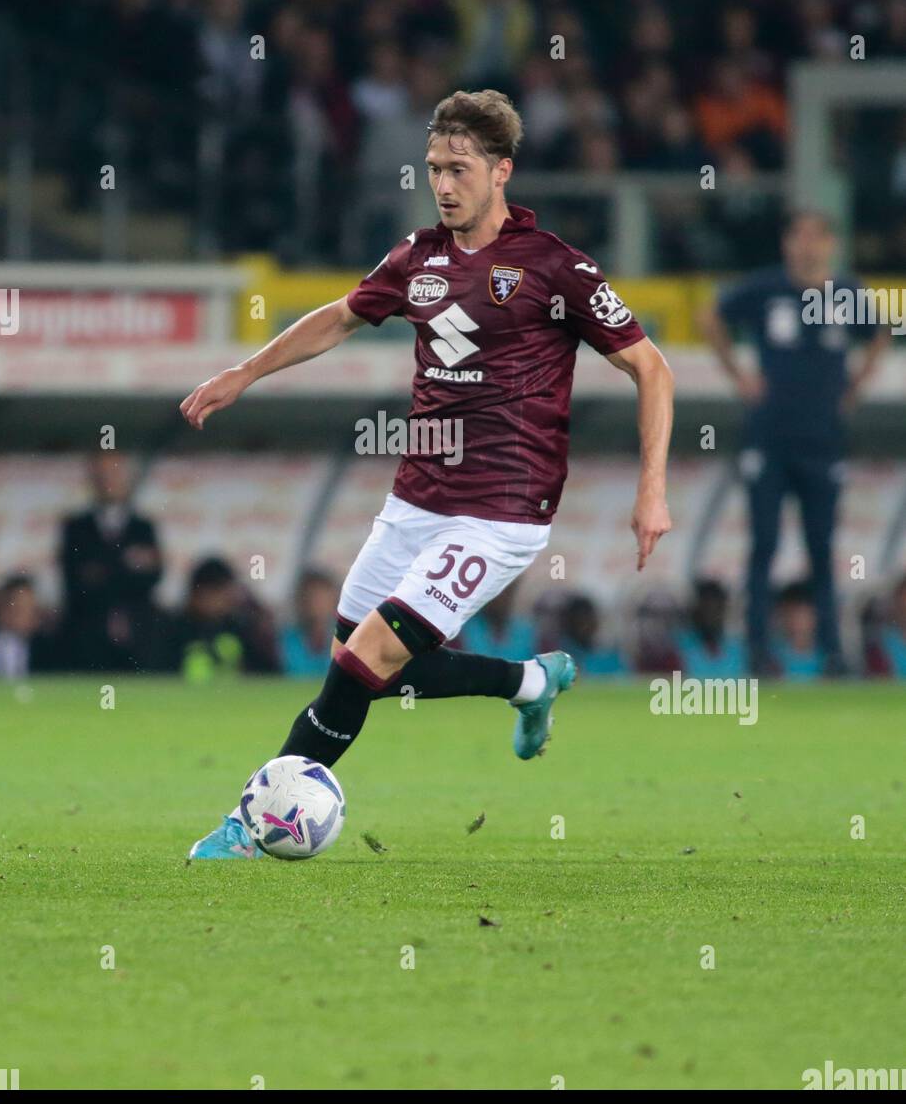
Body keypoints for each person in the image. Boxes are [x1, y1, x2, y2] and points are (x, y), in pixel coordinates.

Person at [181, 88, 673, 861]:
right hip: (415, 499)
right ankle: (528, 684)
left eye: (459, 169)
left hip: (502, 510)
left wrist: (650, 491)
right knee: (359, 662)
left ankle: (248, 825)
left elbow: (650, 367)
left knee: (365, 662)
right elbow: (339, 316)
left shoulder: (556, 267)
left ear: (501, 171)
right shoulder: (415, 258)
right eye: (433, 168)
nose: (443, 184)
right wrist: (244, 372)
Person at [702, 211, 886, 675]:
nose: (807, 246)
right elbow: (710, 316)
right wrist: (740, 376)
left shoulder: (847, 293)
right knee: (763, 544)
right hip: (769, 436)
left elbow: (883, 331)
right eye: (799, 236)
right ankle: (758, 651)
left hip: (823, 438)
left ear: (831, 244)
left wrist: (856, 386)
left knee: (821, 547)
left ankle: (832, 653)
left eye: (816, 237)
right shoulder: (765, 289)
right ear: (786, 243)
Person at [58, 452, 163, 671]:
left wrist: (102, 568)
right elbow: (74, 580)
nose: (108, 481)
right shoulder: (76, 527)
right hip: (88, 633)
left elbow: (153, 576)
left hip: (138, 633)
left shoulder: (143, 527)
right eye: (102, 475)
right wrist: (127, 563)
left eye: (114, 474)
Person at [171, 557, 280, 681]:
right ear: (197, 593)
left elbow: (267, 673)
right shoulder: (176, 631)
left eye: (225, 591)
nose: (222, 599)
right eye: (215, 591)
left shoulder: (242, 629)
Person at [0, 575, 57, 678]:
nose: (30, 617)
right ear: (2, 608)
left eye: (32, 610)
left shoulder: (47, 650)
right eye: (21, 609)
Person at [674, 579, 745, 679]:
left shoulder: (736, 649)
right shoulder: (679, 645)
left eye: (717, 608)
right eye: (707, 608)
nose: (711, 616)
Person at [280, 568, 341, 677]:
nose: (319, 605)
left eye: (323, 599)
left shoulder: (345, 638)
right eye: (313, 598)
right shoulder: (288, 638)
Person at [458, 578, 536, 661]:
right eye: (499, 593)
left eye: (507, 592)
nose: (503, 599)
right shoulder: (467, 627)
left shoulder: (525, 632)